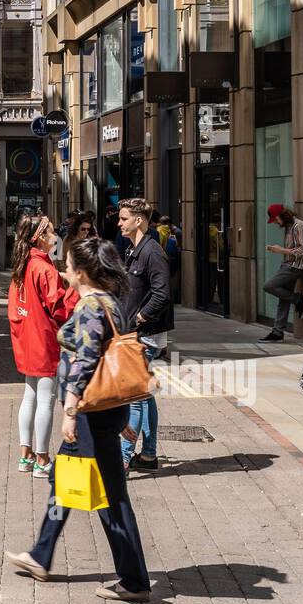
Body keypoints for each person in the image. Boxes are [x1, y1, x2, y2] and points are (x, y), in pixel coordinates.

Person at [5, 237, 151, 602]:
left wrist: (70, 412)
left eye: (68, 265)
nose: (63, 269)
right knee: (64, 482)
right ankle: (41, 555)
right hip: (107, 409)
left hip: (90, 412)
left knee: (109, 498)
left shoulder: (89, 307)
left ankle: (133, 580)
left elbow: (84, 362)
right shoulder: (112, 302)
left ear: (82, 273)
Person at [8, 214, 72, 477]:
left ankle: (26, 455)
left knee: (30, 396)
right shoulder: (44, 269)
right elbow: (60, 308)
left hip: (26, 337)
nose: (55, 236)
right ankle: (43, 459)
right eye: (52, 232)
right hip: (44, 339)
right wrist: (77, 288)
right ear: (41, 238)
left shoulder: (23, 265)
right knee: (46, 399)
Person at [118, 197, 173, 473]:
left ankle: (123, 459)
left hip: (145, 334)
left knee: (135, 396)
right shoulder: (135, 249)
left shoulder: (152, 252)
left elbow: (162, 293)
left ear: (139, 220)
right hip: (136, 332)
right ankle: (149, 455)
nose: (119, 223)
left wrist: (140, 317)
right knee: (145, 395)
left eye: (124, 218)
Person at [263, 204, 303, 342]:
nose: (276, 222)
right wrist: (278, 250)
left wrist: (281, 250)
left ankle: (297, 299)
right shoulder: (289, 227)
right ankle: (277, 333)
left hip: (295, 267)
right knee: (283, 299)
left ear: (281, 215)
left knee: (268, 286)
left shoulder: (298, 226)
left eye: (275, 219)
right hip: (288, 265)